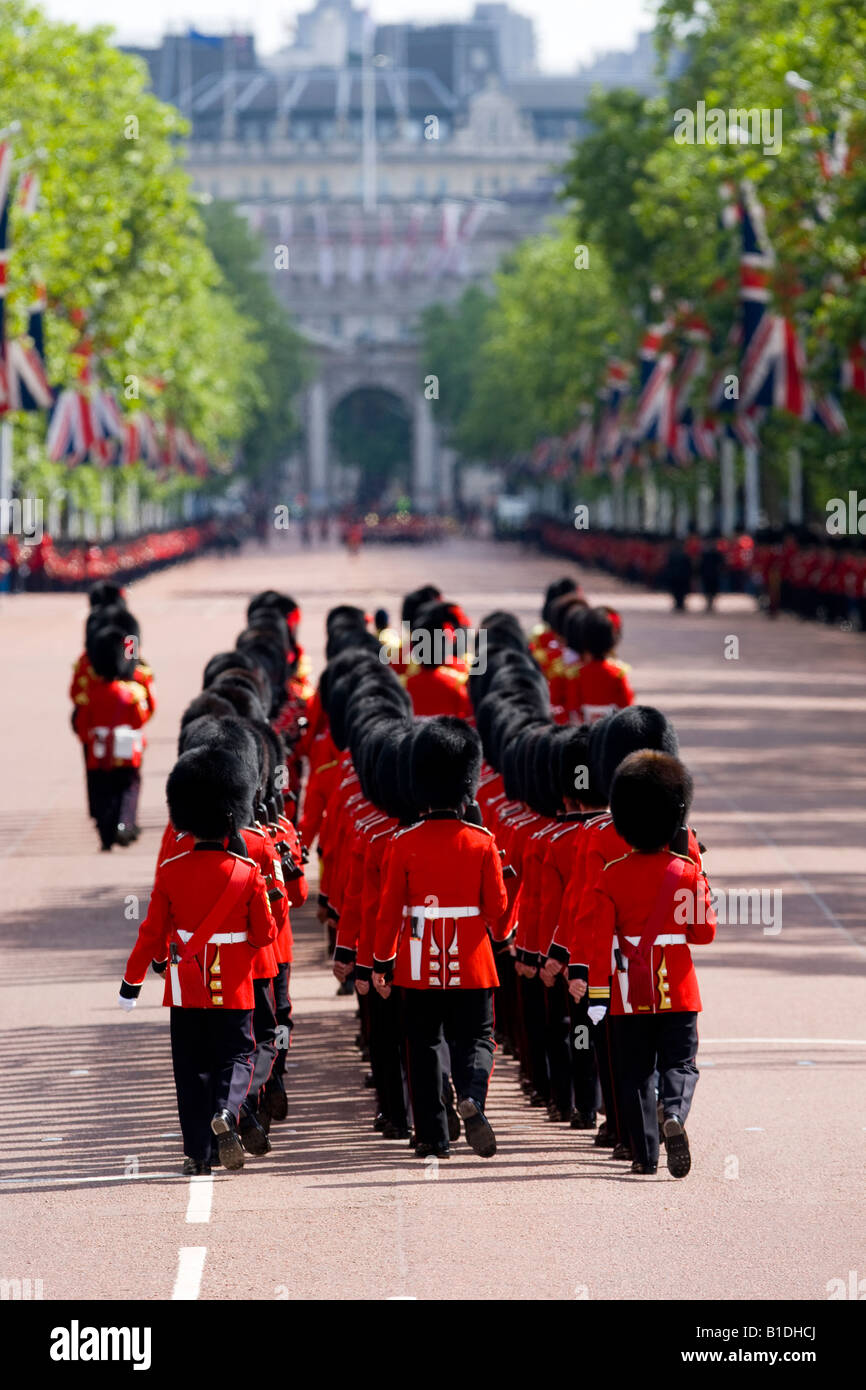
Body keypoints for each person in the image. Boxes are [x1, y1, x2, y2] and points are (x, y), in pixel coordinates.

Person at [118, 748, 277, 1175]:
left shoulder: (171, 869)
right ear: (232, 814)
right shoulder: (246, 871)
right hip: (237, 985)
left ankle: (197, 1155)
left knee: (190, 1070)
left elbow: (151, 932)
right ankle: (227, 1111)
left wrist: (131, 983)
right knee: (237, 1055)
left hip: (186, 983)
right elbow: (265, 935)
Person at [569, 750, 715, 1177]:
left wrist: (596, 991)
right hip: (679, 988)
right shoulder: (686, 872)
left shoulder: (611, 874)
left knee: (633, 1072)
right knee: (681, 1063)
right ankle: (673, 1111)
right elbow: (703, 933)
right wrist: (699, 871)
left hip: (629, 989)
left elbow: (597, 940)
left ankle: (644, 1155)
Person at [372, 717, 509, 1159]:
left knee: (424, 1044)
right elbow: (497, 910)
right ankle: (472, 1096)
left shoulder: (403, 842)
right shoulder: (482, 842)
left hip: (417, 961)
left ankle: (432, 1136)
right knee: (478, 1038)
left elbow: (389, 909)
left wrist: (381, 961)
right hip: (471, 957)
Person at [73, 624, 153, 850]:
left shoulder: (91, 693)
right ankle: (124, 823)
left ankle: (105, 832)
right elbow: (140, 720)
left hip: (98, 750)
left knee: (101, 788)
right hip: (127, 751)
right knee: (128, 787)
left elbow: (82, 725)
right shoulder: (132, 693)